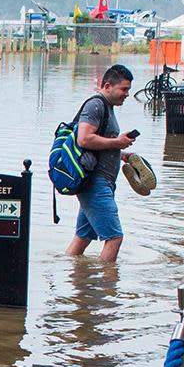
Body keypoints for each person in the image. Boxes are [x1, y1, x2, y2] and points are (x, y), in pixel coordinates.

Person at [65, 64, 135, 262]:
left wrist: (120, 152)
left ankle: (76, 282)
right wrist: (117, 142)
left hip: (97, 183)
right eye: (124, 89)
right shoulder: (96, 105)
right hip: (96, 183)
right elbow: (84, 139)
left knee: (83, 237)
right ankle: (105, 288)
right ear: (107, 86)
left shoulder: (108, 108)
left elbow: (96, 145)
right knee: (114, 237)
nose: (127, 94)